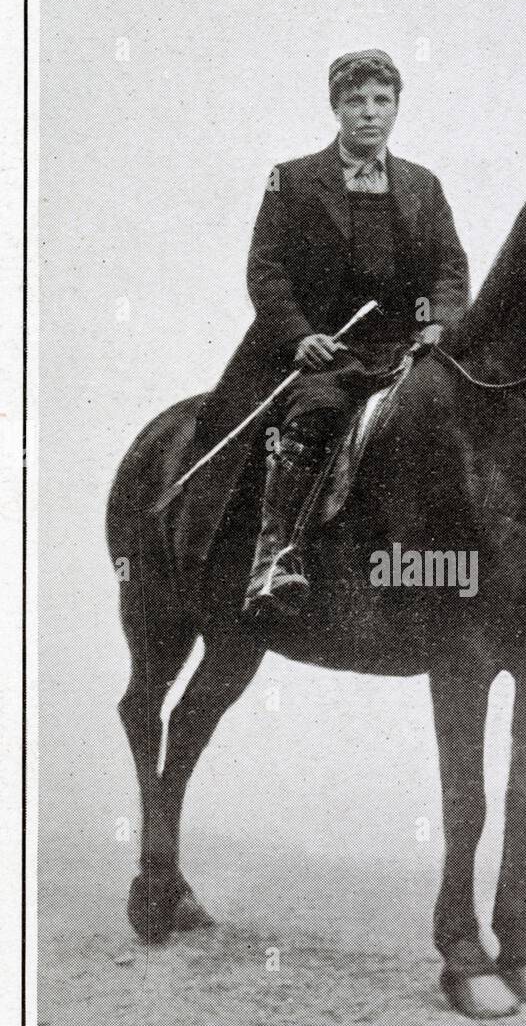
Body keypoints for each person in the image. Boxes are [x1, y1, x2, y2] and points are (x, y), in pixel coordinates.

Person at [184, 49, 469, 621]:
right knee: (316, 411)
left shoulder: (424, 186)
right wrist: (299, 338)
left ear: (395, 109)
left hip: (404, 351)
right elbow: (266, 270)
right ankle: (275, 556)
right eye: (355, 102)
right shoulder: (292, 181)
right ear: (337, 108)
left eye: (381, 102)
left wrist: (441, 318)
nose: (369, 113)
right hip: (325, 352)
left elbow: (450, 266)